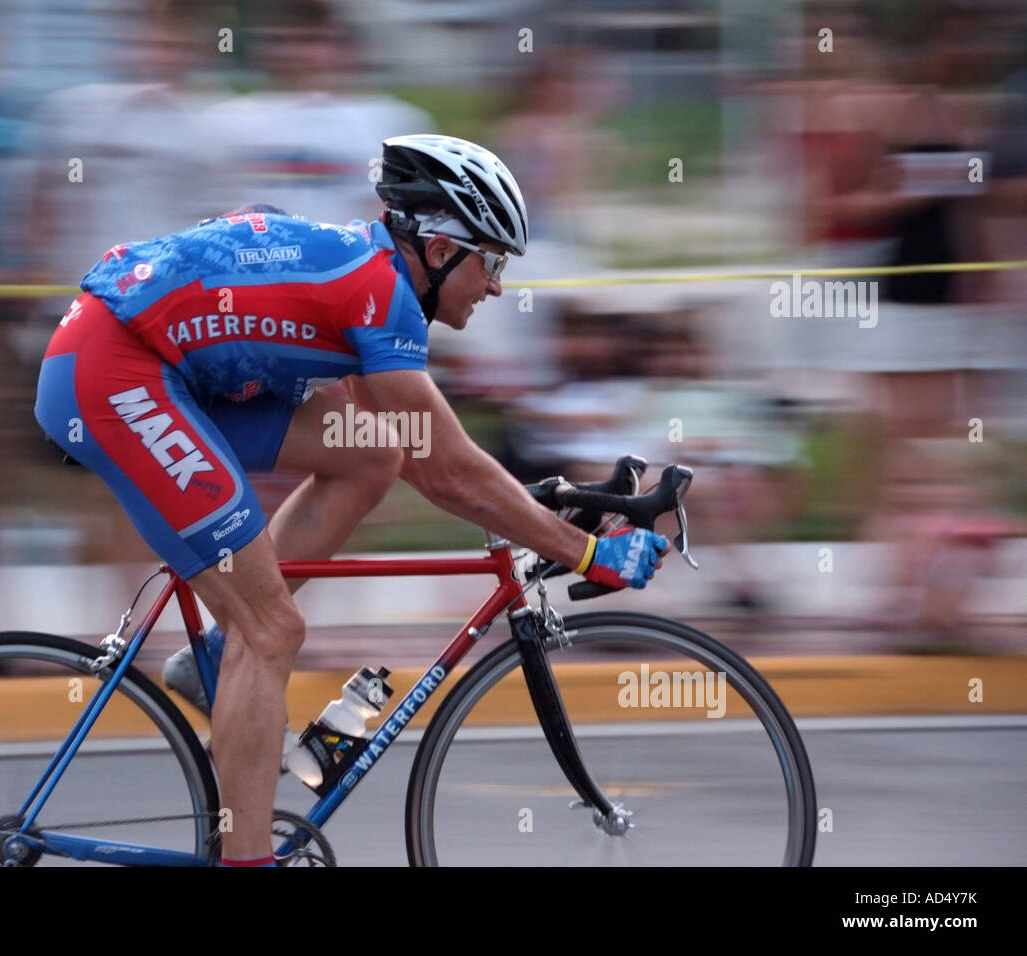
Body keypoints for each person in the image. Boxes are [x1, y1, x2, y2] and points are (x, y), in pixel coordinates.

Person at [34, 134, 670, 867]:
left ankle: (215, 653)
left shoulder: (371, 278)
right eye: (491, 262)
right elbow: (450, 475)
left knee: (370, 452)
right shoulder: (381, 296)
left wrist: (533, 509)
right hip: (114, 374)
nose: (495, 285)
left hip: (152, 362)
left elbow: (410, 449)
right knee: (273, 629)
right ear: (439, 251)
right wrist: (589, 551)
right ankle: (247, 855)